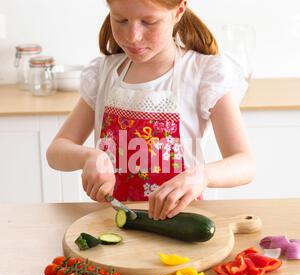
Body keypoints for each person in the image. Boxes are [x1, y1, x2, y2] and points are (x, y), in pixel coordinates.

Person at [46, 0, 256, 221]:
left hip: (181, 224)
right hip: (112, 223)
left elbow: (245, 162)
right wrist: (89, 157)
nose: (133, 36)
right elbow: (56, 151)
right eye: (121, 20)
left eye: (149, 22)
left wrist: (202, 175)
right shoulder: (103, 73)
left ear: (179, 11)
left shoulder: (202, 73)